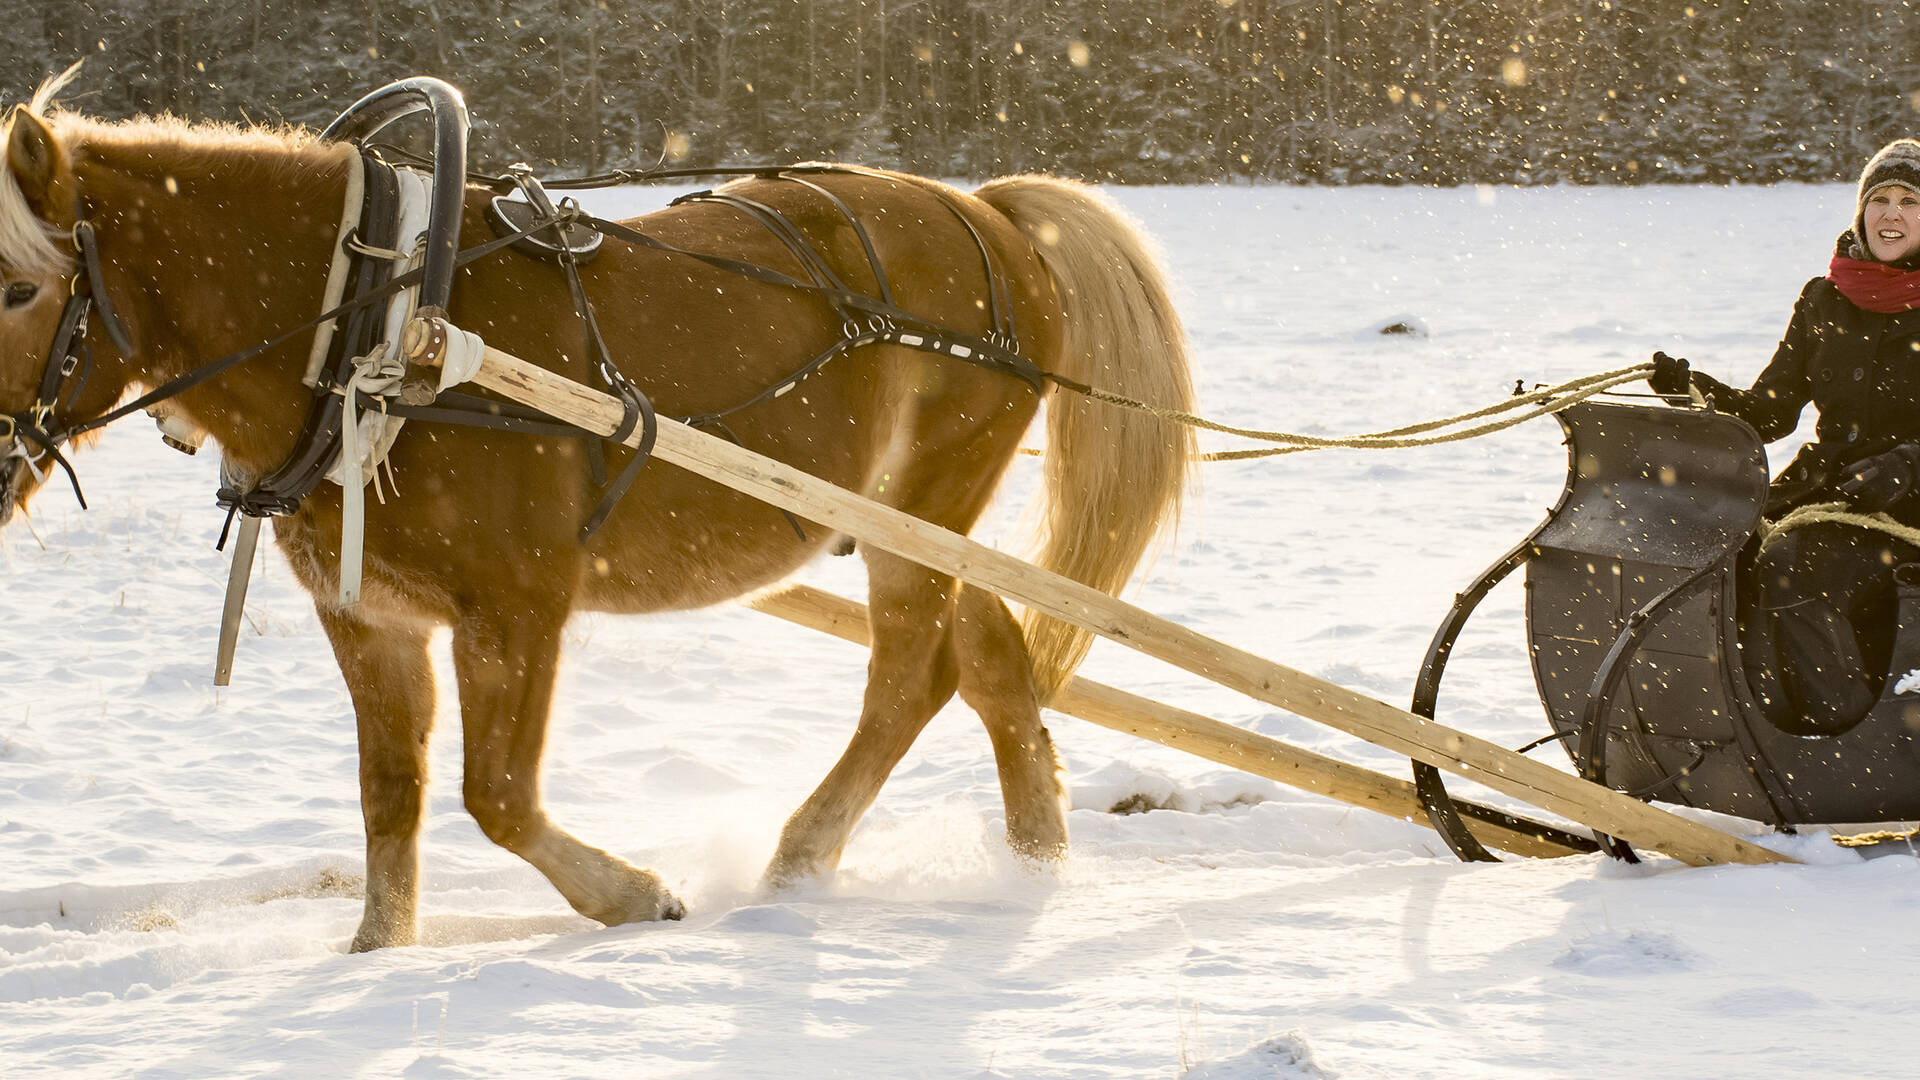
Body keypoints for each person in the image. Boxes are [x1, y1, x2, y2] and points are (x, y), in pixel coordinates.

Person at [1650, 138, 1920, 735]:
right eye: (1880, 199)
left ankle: (1845, 744)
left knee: (1793, 564)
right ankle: (1754, 725)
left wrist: (1906, 465)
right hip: (1825, 493)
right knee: (1723, 553)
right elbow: (1767, 413)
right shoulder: (1824, 298)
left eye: (1910, 200)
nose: (1892, 214)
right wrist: (1692, 388)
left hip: (1906, 507)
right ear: (1861, 213)